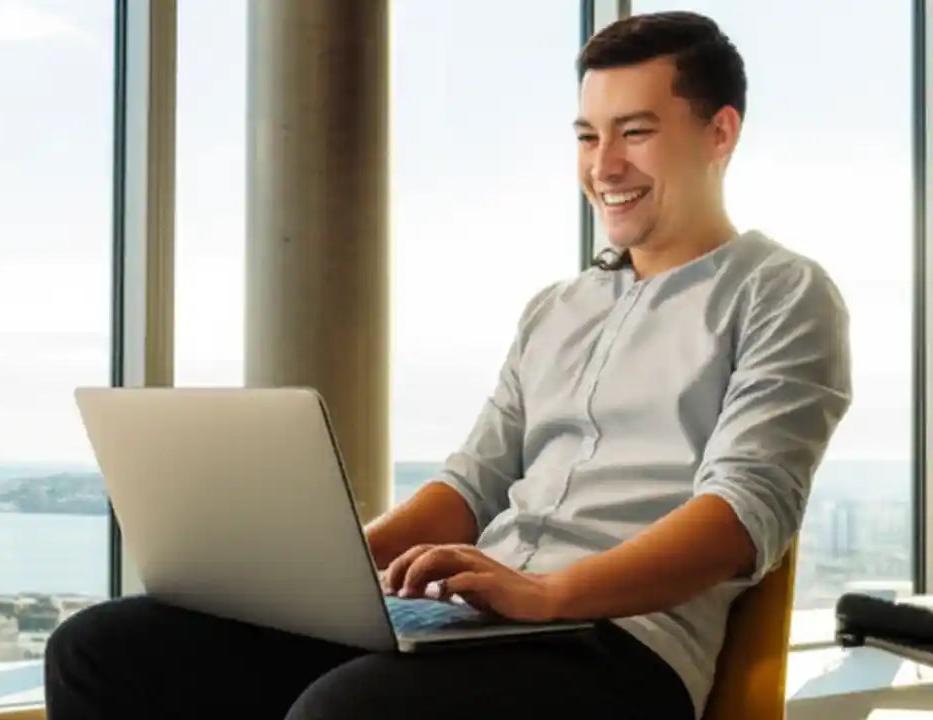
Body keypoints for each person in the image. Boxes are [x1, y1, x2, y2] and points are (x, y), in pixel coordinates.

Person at [43, 11, 851, 720]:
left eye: (635, 132)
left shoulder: (782, 294)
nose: (604, 165)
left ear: (720, 132)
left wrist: (549, 594)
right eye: (587, 136)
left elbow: (742, 518)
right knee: (103, 650)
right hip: (479, 622)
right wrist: (335, 570)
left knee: (345, 710)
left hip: (618, 648)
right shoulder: (556, 309)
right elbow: (471, 485)